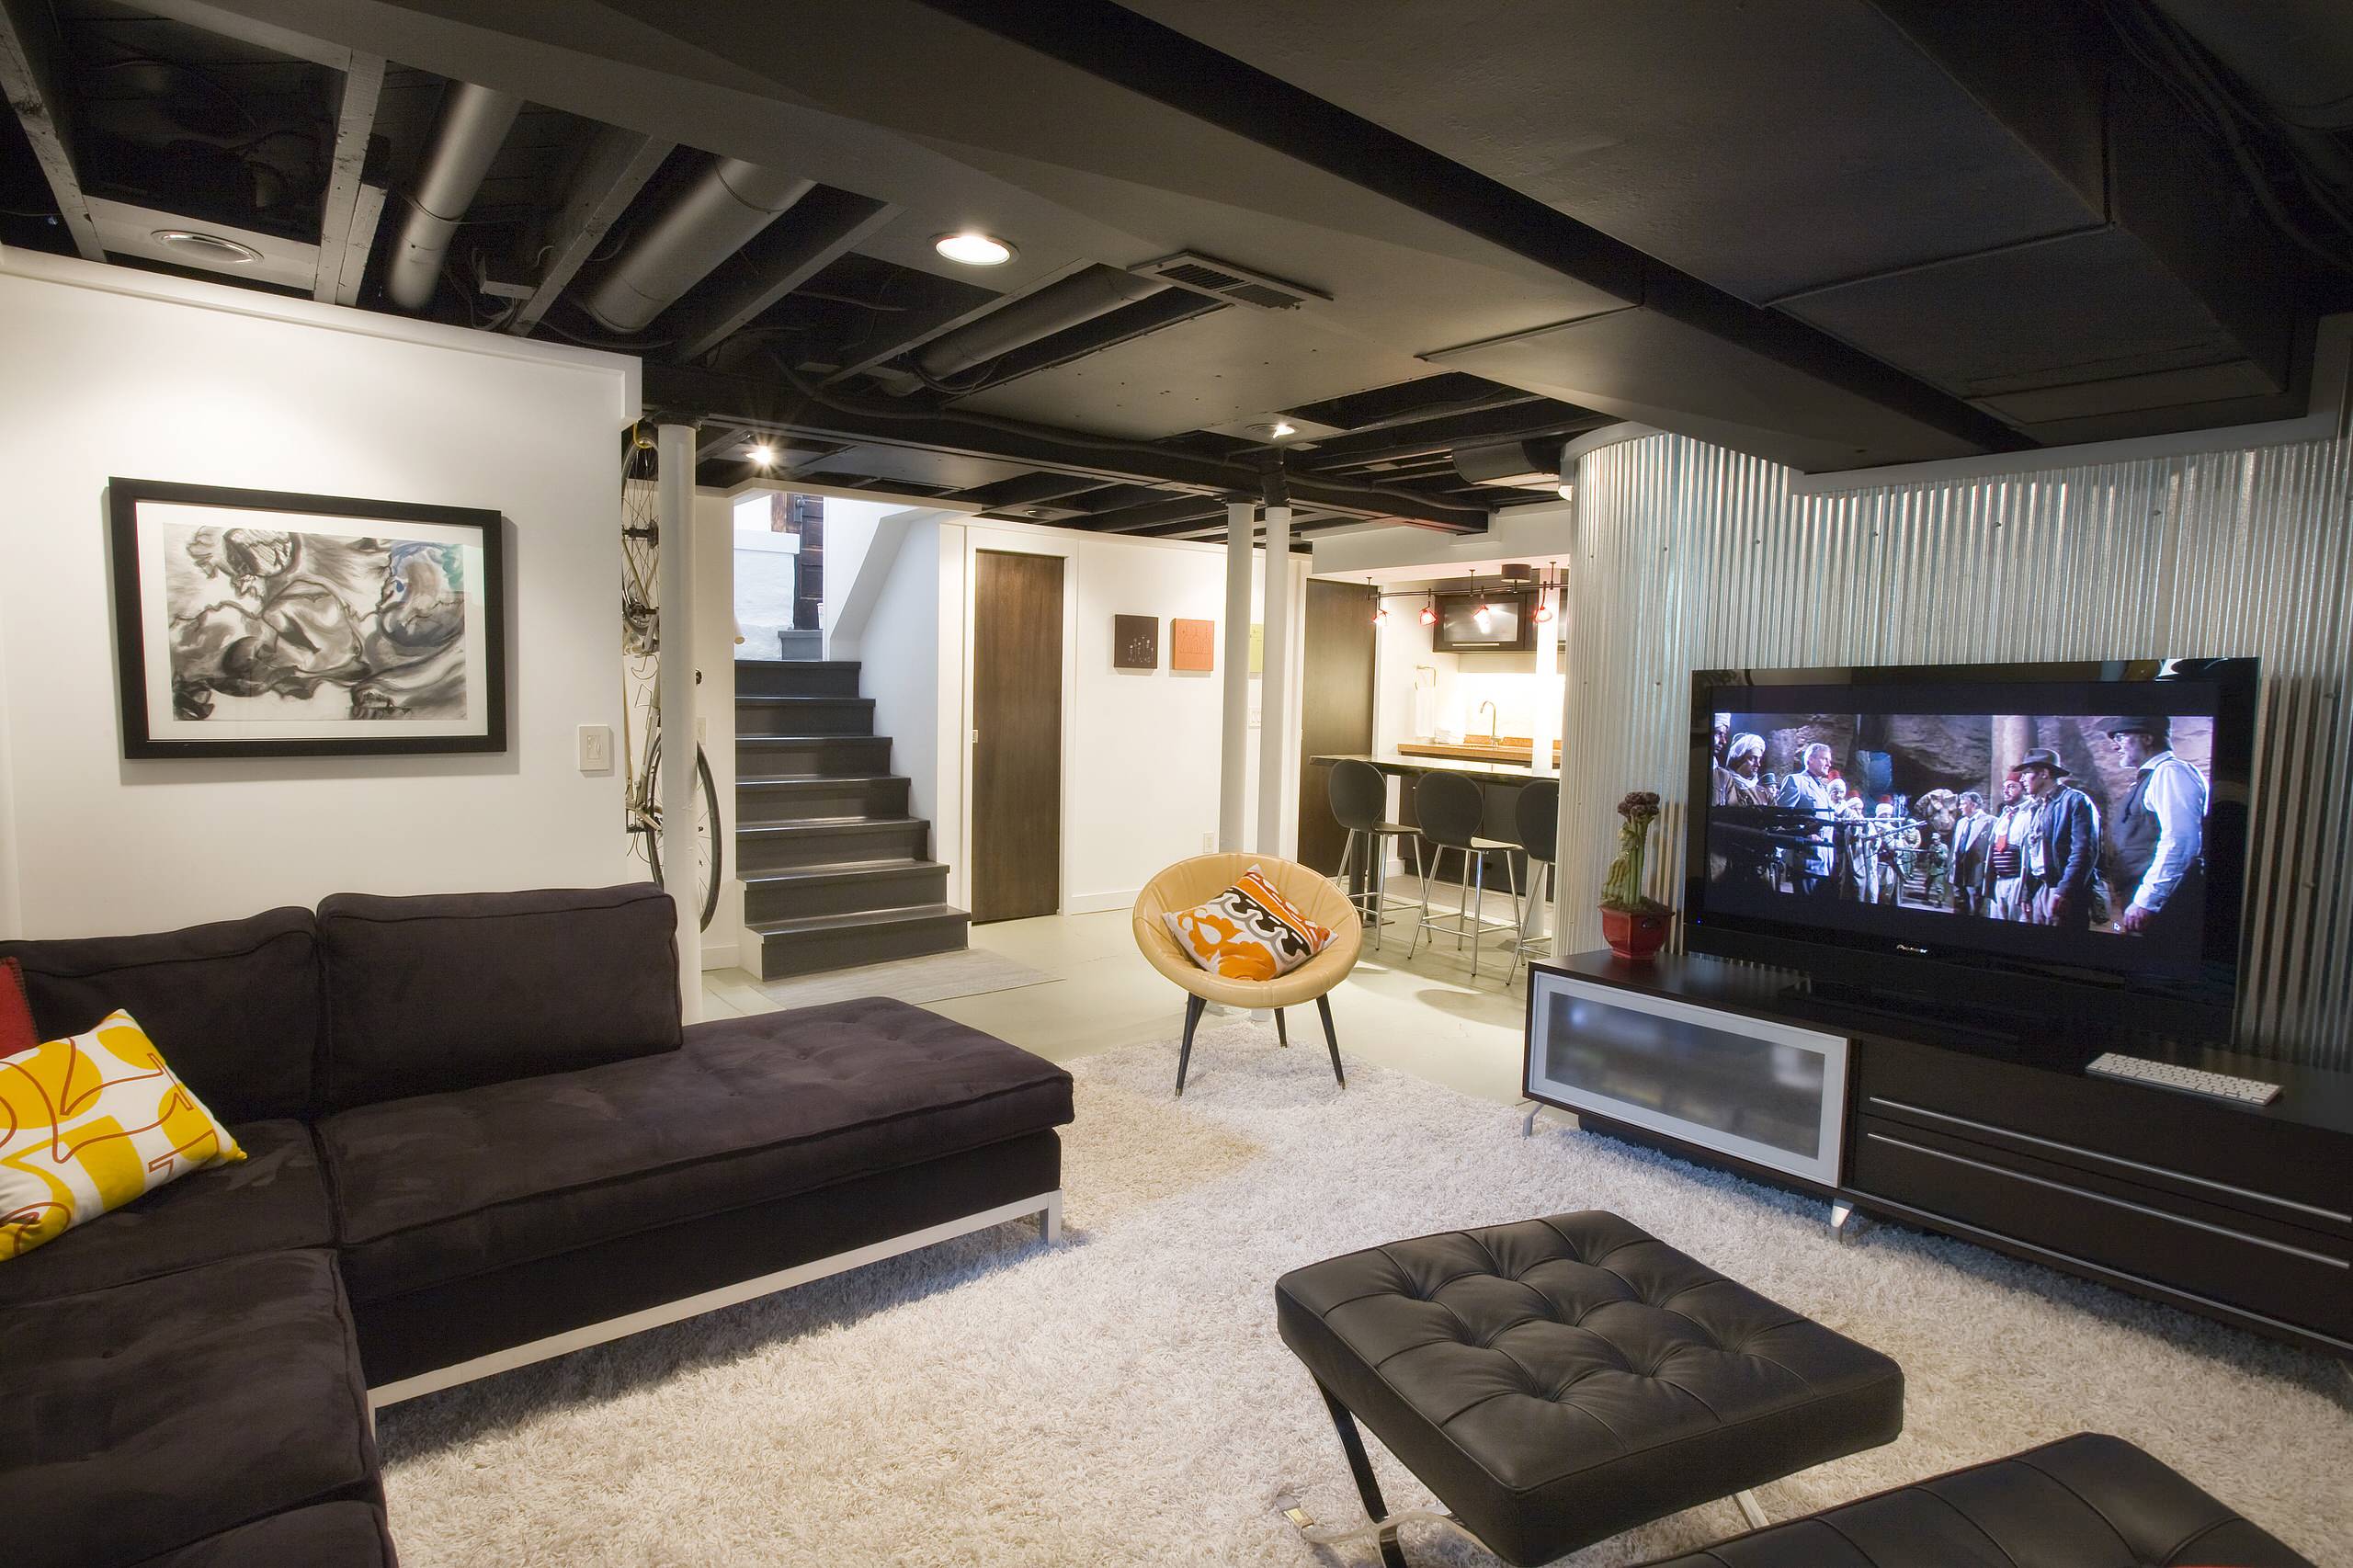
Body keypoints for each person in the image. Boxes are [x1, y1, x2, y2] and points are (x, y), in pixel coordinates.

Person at [2100, 716, 2209, 944]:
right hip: (2142, 897)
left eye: (2121, 737)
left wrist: (2147, 901)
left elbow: (2180, 842)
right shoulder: (2152, 777)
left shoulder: (2170, 773)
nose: (2115, 746)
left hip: (2166, 905)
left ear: (2147, 738)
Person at [2018, 747, 2099, 928]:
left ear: (2044, 773)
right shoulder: (2037, 808)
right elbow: (2033, 854)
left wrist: (2065, 891)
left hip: (2061, 889)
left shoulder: (2075, 801)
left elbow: (2083, 852)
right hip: (2040, 888)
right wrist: (2027, 893)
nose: (2021, 779)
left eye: (2026, 773)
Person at [1775, 743, 1838, 894]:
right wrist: (1805, 833)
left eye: (1829, 760)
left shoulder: (1823, 789)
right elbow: (1782, 817)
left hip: (1824, 862)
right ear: (1810, 759)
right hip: (1806, 859)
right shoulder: (1796, 781)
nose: (1829, 764)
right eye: (1824, 759)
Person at [1987, 774, 2031, 919]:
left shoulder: (2031, 812)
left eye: (2011, 787)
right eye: (2004, 787)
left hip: (2017, 881)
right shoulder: (2005, 814)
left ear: (2023, 789)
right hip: (1999, 880)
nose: (2005, 791)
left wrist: (2026, 889)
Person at [1948, 790, 1993, 915]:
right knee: (1959, 906)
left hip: (1976, 874)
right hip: (1958, 872)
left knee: (1975, 908)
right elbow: (1955, 848)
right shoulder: (1961, 822)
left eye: (1963, 804)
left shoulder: (1991, 822)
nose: (1959, 807)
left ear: (1973, 805)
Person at [1712, 732, 1768, 806]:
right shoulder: (1722, 782)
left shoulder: (1764, 794)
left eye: (1759, 759)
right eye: (1752, 758)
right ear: (1739, 759)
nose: (1758, 764)